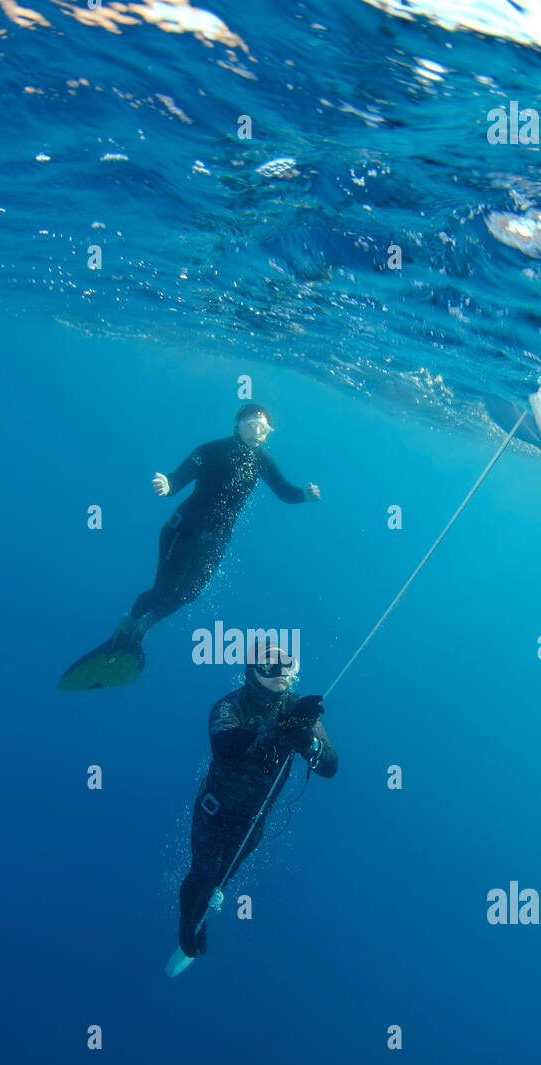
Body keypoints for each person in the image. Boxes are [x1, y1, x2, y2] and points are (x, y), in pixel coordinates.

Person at [58, 405, 321, 689]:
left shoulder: (262, 461)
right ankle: (126, 626)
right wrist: (168, 485)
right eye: (251, 425)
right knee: (164, 592)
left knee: (189, 594)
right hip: (182, 531)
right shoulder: (212, 450)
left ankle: (143, 627)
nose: (257, 433)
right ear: (237, 426)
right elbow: (178, 477)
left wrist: (303, 494)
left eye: (263, 429)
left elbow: (284, 491)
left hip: (216, 540)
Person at [169, 644, 338, 972]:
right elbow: (224, 747)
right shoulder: (230, 706)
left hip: (252, 824)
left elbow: (330, 767)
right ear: (251, 670)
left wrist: (309, 743)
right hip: (214, 813)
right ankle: (188, 925)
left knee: (221, 879)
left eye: (286, 664)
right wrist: (278, 726)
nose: (280, 673)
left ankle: (205, 905)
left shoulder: (298, 710)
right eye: (269, 666)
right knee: (203, 875)